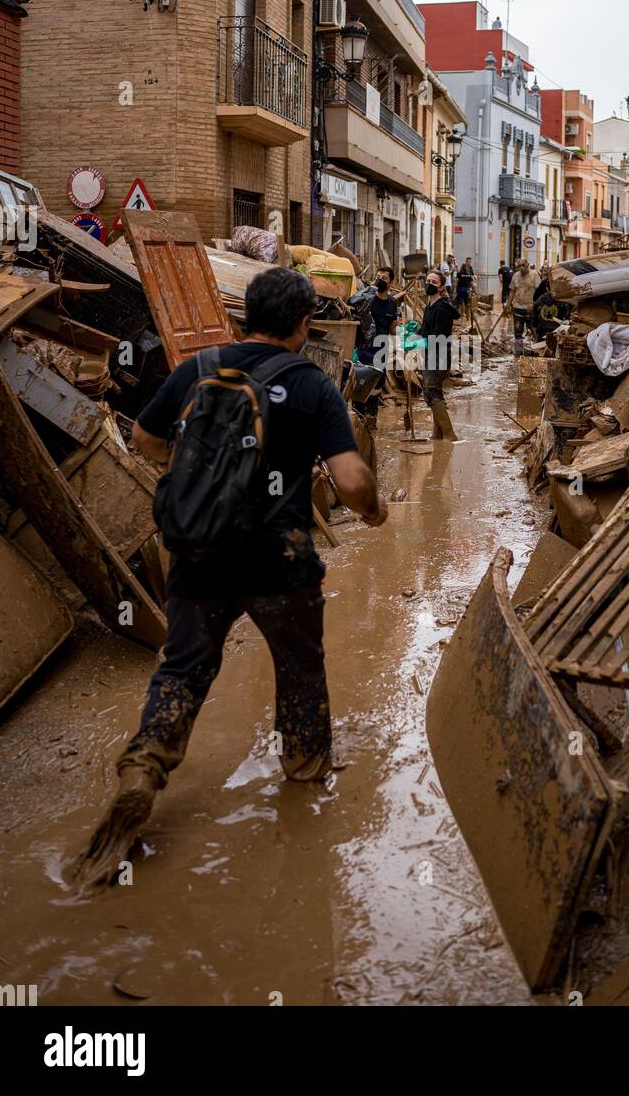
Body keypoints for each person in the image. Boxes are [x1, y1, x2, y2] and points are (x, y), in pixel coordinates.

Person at [70, 269, 388, 890]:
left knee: (183, 668)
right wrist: (375, 511)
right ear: (302, 325)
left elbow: (143, 437)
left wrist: (204, 479)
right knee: (299, 668)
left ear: (247, 318)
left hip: (198, 556)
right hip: (281, 559)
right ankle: (301, 770)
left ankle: (143, 767)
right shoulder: (312, 384)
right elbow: (350, 481)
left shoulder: (199, 367)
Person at [419, 268, 460, 441]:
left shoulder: (442, 308)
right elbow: (427, 330)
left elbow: (437, 337)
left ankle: (451, 436)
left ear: (441, 287)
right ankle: (437, 435)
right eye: (428, 281)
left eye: (434, 282)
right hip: (431, 353)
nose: (429, 284)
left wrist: (418, 343)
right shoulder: (430, 305)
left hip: (440, 354)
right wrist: (415, 332)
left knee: (431, 390)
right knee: (433, 392)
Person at [357, 267, 400, 430]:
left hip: (381, 349)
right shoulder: (366, 298)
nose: (380, 280)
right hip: (364, 348)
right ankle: (359, 424)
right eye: (378, 277)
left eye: (384, 278)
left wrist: (405, 330)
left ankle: (371, 423)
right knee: (360, 386)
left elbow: (392, 329)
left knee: (376, 388)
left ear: (391, 282)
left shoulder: (392, 303)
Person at [508, 258, 537, 352]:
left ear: (527, 265)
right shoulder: (515, 276)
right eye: (519, 266)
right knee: (517, 330)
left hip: (531, 307)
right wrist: (508, 304)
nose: (521, 268)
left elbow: (540, 291)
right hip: (518, 307)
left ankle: (537, 349)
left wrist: (536, 305)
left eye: (523, 265)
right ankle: (519, 350)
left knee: (534, 330)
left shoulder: (534, 275)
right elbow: (512, 291)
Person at [456, 256, 476, 325]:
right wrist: (474, 288)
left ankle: (461, 318)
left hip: (461, 290)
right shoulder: (468, 274)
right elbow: (472, 282)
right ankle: (467, 318)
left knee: (460, 304)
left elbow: (456, 281)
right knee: (467, 304)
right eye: (468, 262)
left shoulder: (459, 273)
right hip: (467, 290)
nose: (469, 263)